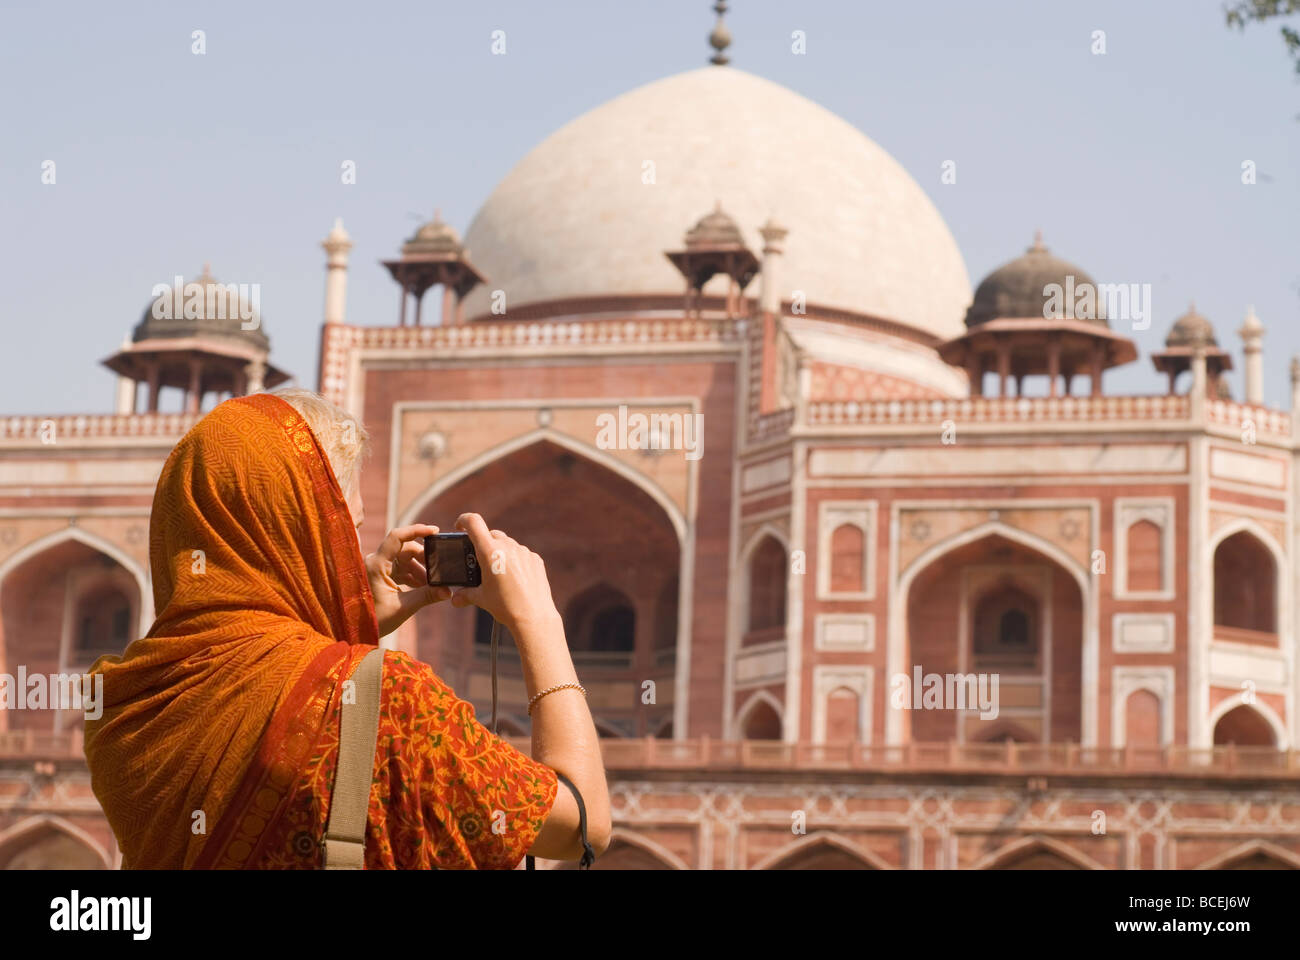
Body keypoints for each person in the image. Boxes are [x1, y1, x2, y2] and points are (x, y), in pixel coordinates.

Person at [84, 387, 611, 869]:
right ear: (301, 530)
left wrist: (342, 629)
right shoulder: (393, 702)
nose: (352, 555)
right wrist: (538, 619)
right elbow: (581, 826)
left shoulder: (124, 705)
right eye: (343, 530)